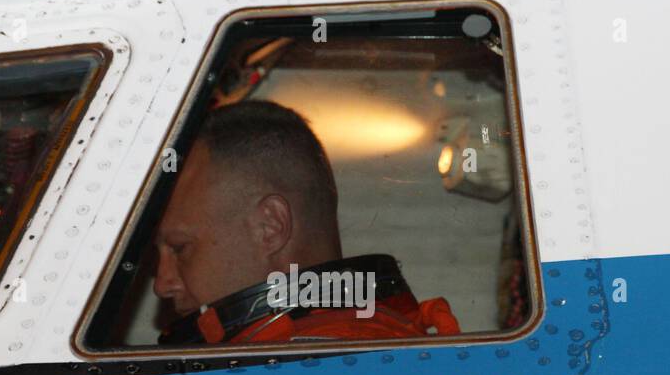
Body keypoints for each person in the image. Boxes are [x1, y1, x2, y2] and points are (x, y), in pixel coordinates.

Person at [152, 100, 459, 344]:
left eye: (180, 248)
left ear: (269, 227)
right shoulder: (370, 344)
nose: (162, 284)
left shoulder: (306, 371)